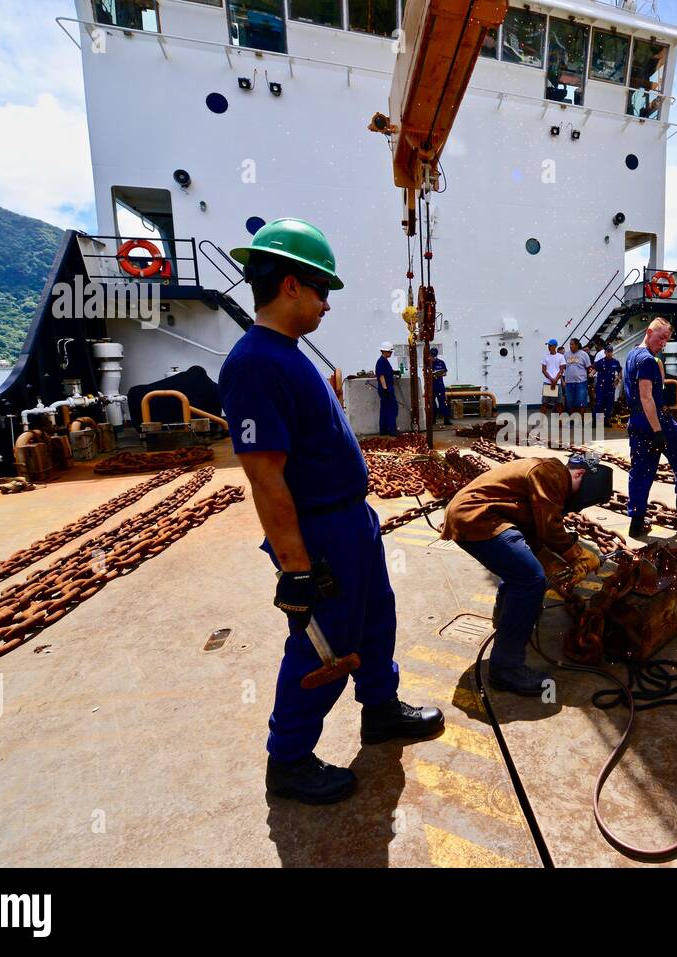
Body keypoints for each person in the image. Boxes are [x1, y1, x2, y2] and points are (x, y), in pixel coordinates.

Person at [219, 218, 443, 805]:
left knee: (376, 620)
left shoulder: (288, 354)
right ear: (291, 285)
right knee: (323, 644)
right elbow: (264, 477)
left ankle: (380, 709)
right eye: (322, 291)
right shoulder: (254, 363)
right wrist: (295, 567)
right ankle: (288, 759)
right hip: (319, 532)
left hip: (351, 522)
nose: (326, 304)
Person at [442, 452, 613, 694]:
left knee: (520, 572)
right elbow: (549, 528)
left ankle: (506, 621)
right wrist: (579, 555)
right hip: (479, 517)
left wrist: (552, 564)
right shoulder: (552, 473)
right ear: (580, 474)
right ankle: (506, 668)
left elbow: (533, 533)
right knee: (529, 581)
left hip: (478, 516)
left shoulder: (547, 478)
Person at [623, 317, 677, 538]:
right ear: (649, 331)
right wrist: (658, 431)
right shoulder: (647, 361)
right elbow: (646, 397)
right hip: (655, 420)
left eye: (667, 340)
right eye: (661, 338)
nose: (663, 343)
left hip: (636, 421)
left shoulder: (632, 355)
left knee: (640, 471)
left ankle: (637, 520)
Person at [592, 343, 622, 423]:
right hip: (601, 386)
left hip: (610, 386)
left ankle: (606, 420)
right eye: (608, 351)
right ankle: (596, 421)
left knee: (609, 404)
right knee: (599, 403)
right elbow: (595, 369)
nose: (609, 353)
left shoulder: (615, 362)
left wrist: (617, 380)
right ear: (605, 352)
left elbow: (620, 371)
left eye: (610, 351)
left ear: (612, 352)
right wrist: (591, 373)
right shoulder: (600, 362)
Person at [375, 341, 398, 436]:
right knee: (392, 408)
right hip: (386, 388)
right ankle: (391, 430)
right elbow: (381, 376)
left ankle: (383, 430)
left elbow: (387, 372)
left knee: (384, 409)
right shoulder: (381, 362)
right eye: (390, 352)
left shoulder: (384, 361)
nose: (391, 353)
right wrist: (385, 389)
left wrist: (394, 372)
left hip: (386, 388)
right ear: (384, 351)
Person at [563, 338, 590, 413]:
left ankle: (580, 421)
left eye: (572, 344)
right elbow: (564, 367)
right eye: (570, 344)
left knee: (581, 403)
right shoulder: (566, 354)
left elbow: (588, 367)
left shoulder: (584, 354)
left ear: (577, 345)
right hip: (569, 383)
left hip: (581, 383)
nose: (570, 346)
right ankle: (572, 420)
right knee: (570, 403)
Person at [541, 338, 565, 415]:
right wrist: (552, 379)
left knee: (559, 403)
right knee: (544, 403)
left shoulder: (560, 356)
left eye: (550, 345)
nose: (548, 347)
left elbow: (561, 370)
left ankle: (560, 422)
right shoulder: (545, 356)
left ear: (555, 346)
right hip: (548, 382)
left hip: (557, 383)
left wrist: (555, 380)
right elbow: (544, 370)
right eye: (548, 345)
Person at [429, 347, 451, 425]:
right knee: (431, 403)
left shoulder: (441, 363)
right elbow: (425, 373)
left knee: (443, 402)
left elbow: (444, 373)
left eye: (433, 356)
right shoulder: (427, 363)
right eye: (431, 356)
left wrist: (437, 374)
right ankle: (433, 419)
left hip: (439, 385)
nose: (432, 357)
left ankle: (446, 419)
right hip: (430, 386)